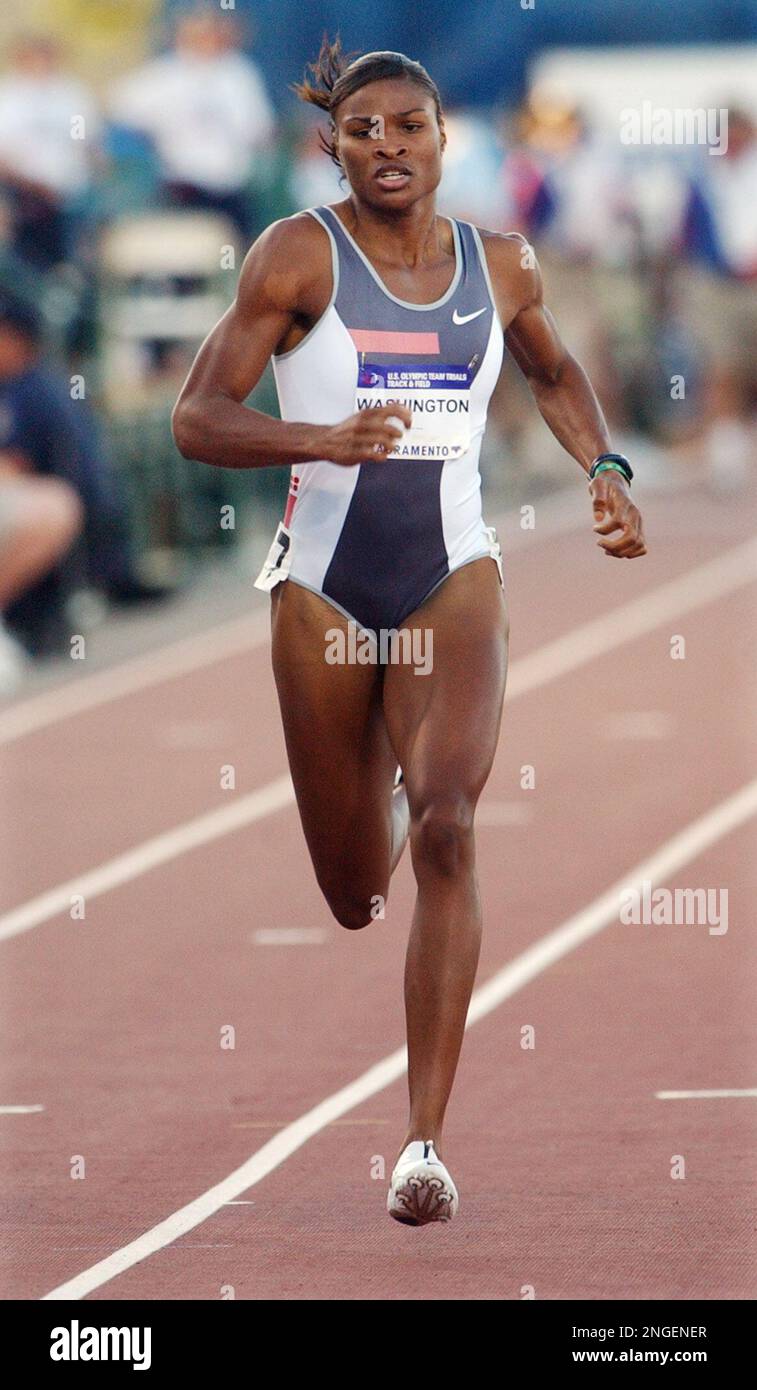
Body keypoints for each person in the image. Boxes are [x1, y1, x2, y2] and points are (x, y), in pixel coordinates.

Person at [172, 42, 646, 1226]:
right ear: (331, 144)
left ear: (445, 141)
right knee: (351, 892)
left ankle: (423, 1144)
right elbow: (197, 417)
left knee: (447, 822)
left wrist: (606, 464)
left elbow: (551, 366)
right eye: (363, 129)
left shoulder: (503, 263)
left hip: (451, 576)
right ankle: (376, 782)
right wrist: (318, 441)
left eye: (410, 127)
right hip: (322, 592)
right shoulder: (295, 255)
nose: (387, 145)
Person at [110, 8, 275, 241]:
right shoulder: (163, 75)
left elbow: (259, 129)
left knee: (245, 250)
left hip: (230, 186)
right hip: (181, 187)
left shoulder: (238, 73)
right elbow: (120, 109)